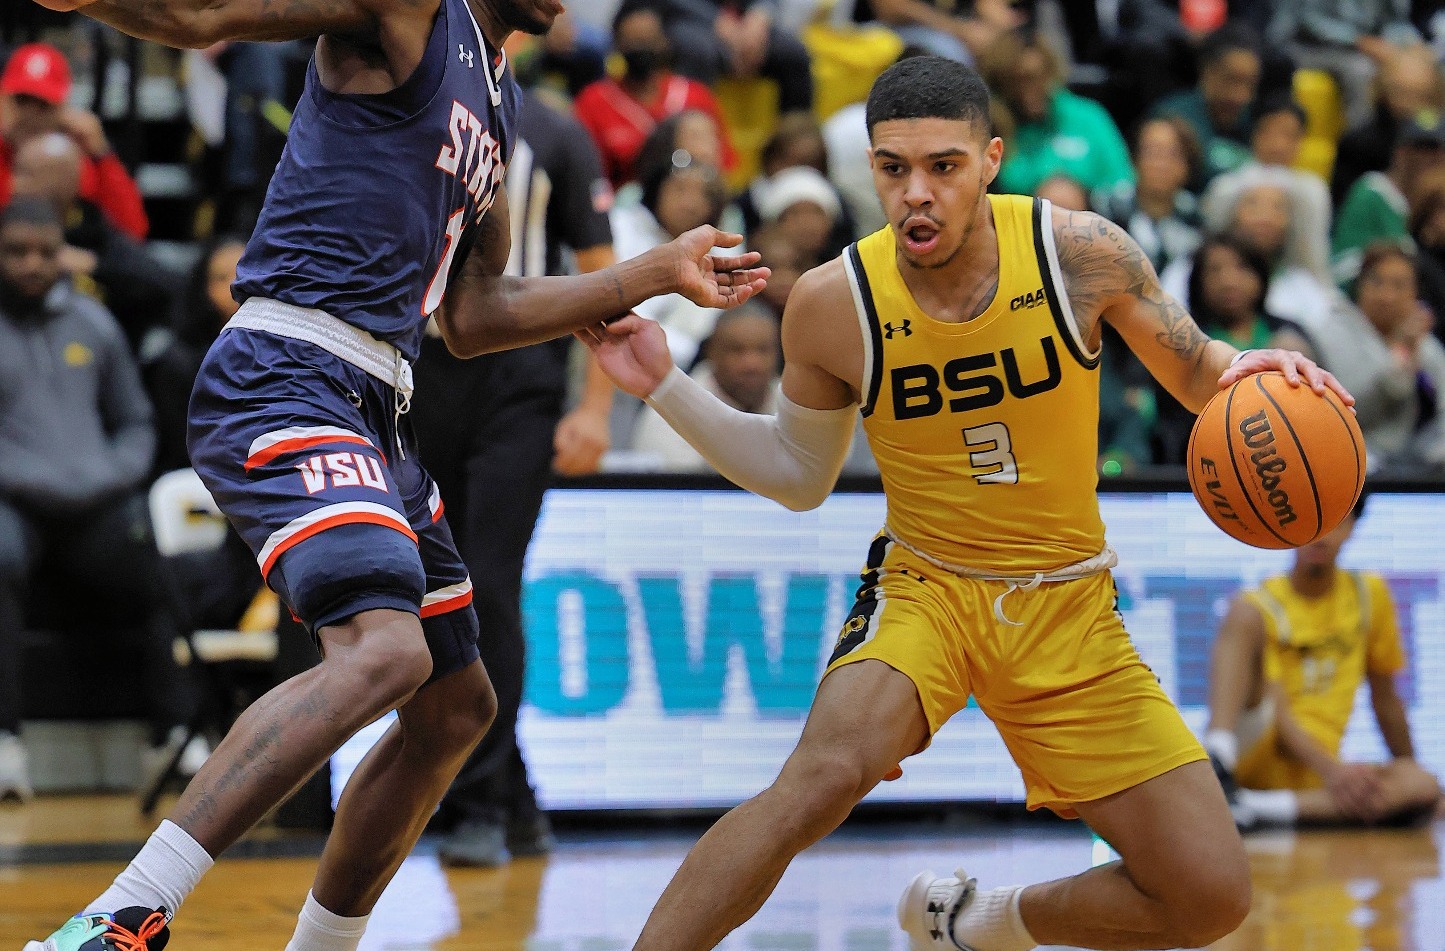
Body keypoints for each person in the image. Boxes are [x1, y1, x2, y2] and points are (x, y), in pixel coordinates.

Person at [22, 0, 767, 947]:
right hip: (287, 367)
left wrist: (651, 270)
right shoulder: (411, 11)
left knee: (458, 704)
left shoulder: (498, 105)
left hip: (381, 397)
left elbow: (477, 313)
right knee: (384, 653)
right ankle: (119, 916)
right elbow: (205, 14)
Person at [582, 55, 1351, 951]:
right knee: (819, 775)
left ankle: (976, 921)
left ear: (990, 159)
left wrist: (1257, 370)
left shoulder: (1078, 252)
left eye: (942, 166)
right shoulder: (833, 301)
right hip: (926, 590)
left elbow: (1197, 369)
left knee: (1209, 894)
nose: (916, 193)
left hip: (1067, 604)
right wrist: (663, 383)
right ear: (868, 166)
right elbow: (799, 472)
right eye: (892, 168)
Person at [414, 86, 617, 868]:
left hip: (522, 374)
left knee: (488, 583)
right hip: (423, 368)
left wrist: (594, 408)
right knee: (438, 588)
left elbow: (604, 275)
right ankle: (514, 793)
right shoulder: (403, 110)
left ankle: (477, 804)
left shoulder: (556, 135)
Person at [0, 197, 196, 806]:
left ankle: (171, 737)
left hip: (95, 503)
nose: (33, 264)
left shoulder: (94, 322)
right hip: (14, 503)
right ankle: (5, 744)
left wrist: (109, 475)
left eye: (46, 251)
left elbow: (137, 423)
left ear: (65, 253)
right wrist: (39, 477)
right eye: (17, 251)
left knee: (159, 572)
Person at [1204, 492, 1442, 828]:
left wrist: (1410, 773)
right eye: (1308, 521)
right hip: (1258, 747)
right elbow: (1279, 718)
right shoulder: (1263, 603)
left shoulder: (1369, 594)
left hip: (1319, 776)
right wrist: (1333, 770)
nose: (1321, 534)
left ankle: (1249, 808)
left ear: (1352, 527)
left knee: (1422, 784)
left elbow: (1385, 699)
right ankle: (1217, 757)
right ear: (1288, 526)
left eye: (1333, 521)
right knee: (1242, 614)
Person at [573, 4, 735, 188]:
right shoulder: (594, 100)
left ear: (664, 42)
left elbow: (725, 165)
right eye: (632, 42)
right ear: (617, 45)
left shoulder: (695, 96)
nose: (642, 49)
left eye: (649, 40)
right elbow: (587, 173)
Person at [0, 42, 149, 240]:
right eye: (22, 100)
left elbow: (134, 231)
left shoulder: (76, 160)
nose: (31, 113)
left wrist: (102, 155)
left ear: (63, 109)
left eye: (43, 104)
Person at [979, 32, 1134, 197]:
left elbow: (1121, 181)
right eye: (1021, 79)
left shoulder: (1086, 116)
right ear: (1003, 82)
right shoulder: (994, 126)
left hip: (1091, 214)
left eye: (1039, 76)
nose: (1032, 89)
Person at [631, 304, 780, 471]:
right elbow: (678, 491)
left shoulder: (793, 402)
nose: (752, 364)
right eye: (737, 350)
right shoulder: (670, 410)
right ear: (712, 352)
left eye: (763, 350)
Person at [1150, 24, 1261, 188]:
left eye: (1250, 84)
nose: (1242, 95)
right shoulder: (1171, 119)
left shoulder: (1254, 122)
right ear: (1207, 72)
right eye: (1232, 80)